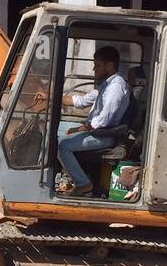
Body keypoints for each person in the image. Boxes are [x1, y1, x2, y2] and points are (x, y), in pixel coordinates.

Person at [56, 46, 130, 196]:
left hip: (103, 135)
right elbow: (81, 101)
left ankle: (83, 184)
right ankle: (63, 172)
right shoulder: (107, 85)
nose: (94, 69)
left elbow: (103, 119)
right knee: (53, 127)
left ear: (109, 66)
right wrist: (51, 97)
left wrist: (78, 129)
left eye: (97, 66)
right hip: (94, 131)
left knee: (61, 145)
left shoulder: (116, 87)